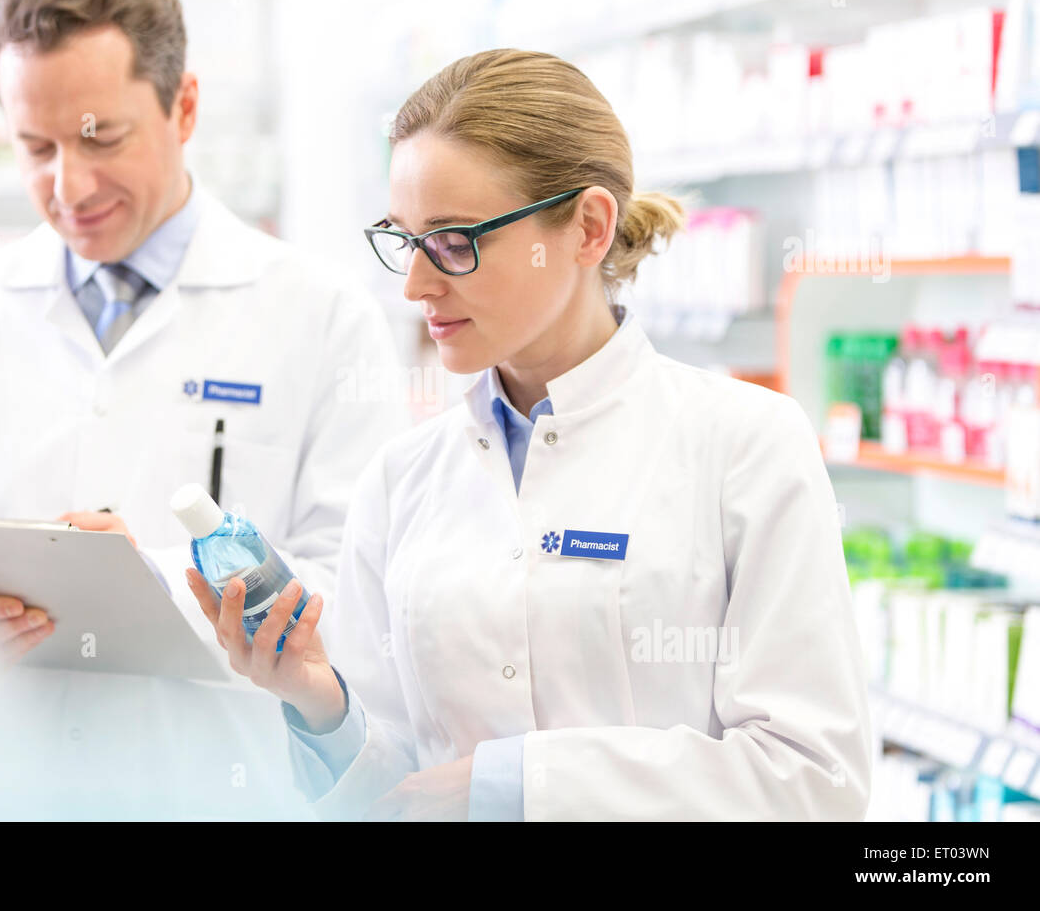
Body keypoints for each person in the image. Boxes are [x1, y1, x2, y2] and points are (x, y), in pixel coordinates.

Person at [184, 48, 873, 821]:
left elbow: (815, 782)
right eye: (405, 240)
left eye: (453, 242)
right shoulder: (402, 477)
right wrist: (319, 702)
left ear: (587, 227)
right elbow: (396, 790)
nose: (415, 285)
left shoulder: (745, 445)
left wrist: (521, 787)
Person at [0, 0, 406, 819]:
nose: (69, 187)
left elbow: (357, 603)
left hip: (207, 792)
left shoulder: (323, 318)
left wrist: (142, 581)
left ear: (184, 107)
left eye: (100, 137)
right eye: (37, 148)